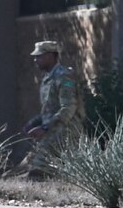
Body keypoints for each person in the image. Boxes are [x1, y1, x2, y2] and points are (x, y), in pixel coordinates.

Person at [23, 40, 84, 171]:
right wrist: (35, 122)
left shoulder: (64, 76)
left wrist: (44, 128)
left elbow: (68, 108)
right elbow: (50, 109)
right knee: (29, 164)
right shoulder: (48, 78)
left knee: (38, 168)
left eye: (39, 56)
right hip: (52, 130)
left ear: (50, 56)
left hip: (65, 131)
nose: (35, 60)